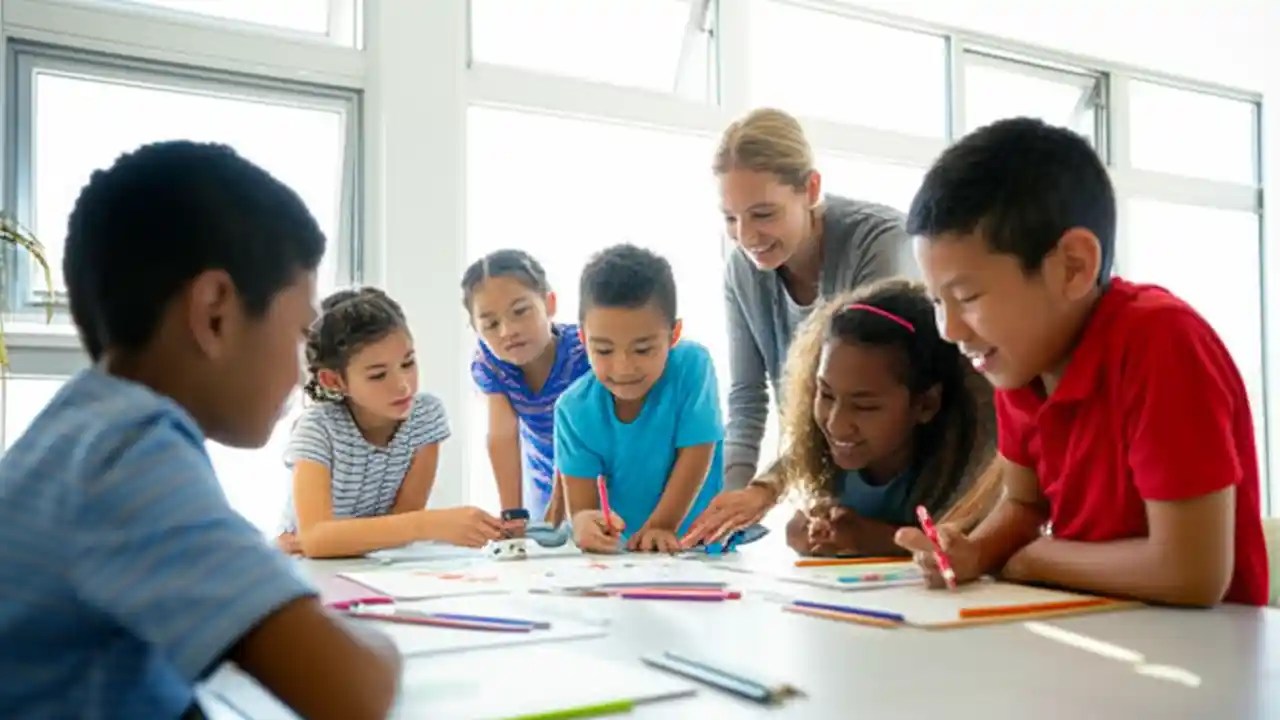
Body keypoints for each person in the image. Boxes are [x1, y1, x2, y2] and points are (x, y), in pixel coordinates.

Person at [0, 141, 398, 718]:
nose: (300, 370)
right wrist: (386, 647)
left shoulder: (77, 431)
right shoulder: (127, 455)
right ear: (214, 312)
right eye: (299, 336)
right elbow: (355, 693)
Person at [894, 117, 1269, 607]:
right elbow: (1025, 504)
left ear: (1073, 267)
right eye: (937, 302)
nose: (949, 330)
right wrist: (974, 552)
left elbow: (1191, 573)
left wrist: (1035, 559)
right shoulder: (1019, 364)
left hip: (1210, 651)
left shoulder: (1162, 342)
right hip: (1102, 631)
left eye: (967, 296)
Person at [683, 280, 1002, 554]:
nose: (835, 424)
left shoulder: (969, 466)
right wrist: (815, 527)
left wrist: (876, 539)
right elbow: (795, 464)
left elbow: (968, 547)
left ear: (926, 404)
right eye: (826, 394)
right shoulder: (831, 456)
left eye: (864, 406)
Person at [717, 107, 915, 492]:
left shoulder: (881, 245)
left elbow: (868, 398)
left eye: (763, 214)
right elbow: (746, 396)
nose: (746, 236)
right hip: (835, 471)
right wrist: (731, 497)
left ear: (810, 189)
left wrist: (769, 488)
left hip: (910, 473)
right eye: (730, 218)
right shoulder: (742, 269)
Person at [277, 287, 505, 558]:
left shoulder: (424, 415)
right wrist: (431, 524)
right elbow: (315, 540)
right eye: (377, 375)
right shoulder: (318, 428)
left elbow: (404, 518)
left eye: (408, 363)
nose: (402, 386)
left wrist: (338, 537)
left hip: (372, 562)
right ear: (334, 381)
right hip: (305, 565)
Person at [555, 244, 725, 553]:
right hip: (626, 558)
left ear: (674, 334)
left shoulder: (692, 365)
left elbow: (698, 452)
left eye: (643, 349)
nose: (623, 368)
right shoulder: (572, 410)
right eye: (604, 350)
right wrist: (583, 525)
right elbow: (582, 509)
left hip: (702, 549)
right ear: (582, 338)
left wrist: (662, 526)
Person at [464, 249, 591, 527]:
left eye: (520, 312)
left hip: (592, 486)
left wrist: (559, 509)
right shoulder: (491, 363)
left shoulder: (585, 353)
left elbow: (584, 438)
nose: (507, 331)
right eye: (490, 324)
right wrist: (513, 516)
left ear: (550, 303)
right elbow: (502, 436)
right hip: (543, 489)